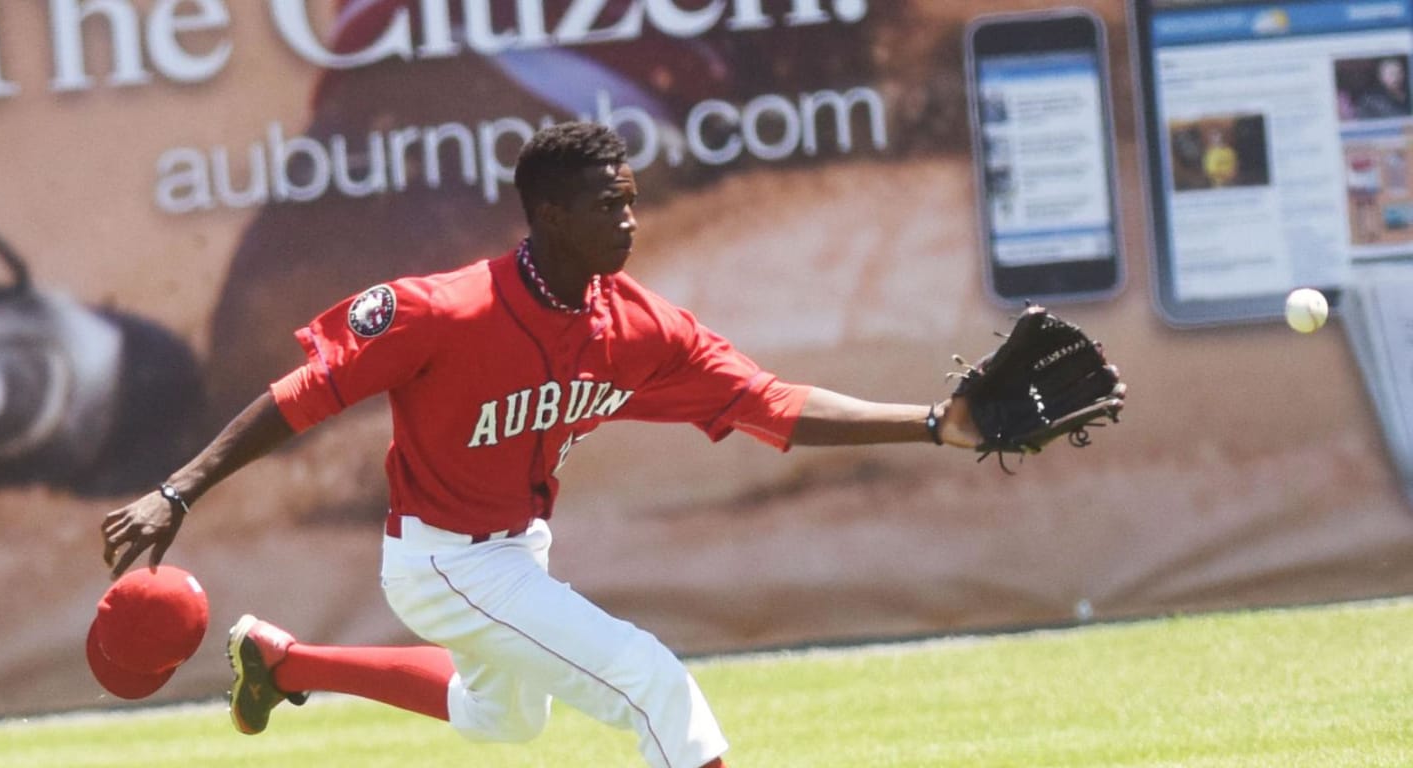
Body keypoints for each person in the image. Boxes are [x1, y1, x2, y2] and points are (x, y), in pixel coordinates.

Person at [100, 122, 985, 768]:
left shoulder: (639, 328)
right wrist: (178, 490)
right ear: (552, 217)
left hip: (516, 550)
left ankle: (284, 661)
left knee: (502, 719)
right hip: (442, 562)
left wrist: (934, 422)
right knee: (653, 681)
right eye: (610, 206)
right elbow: (306, 394)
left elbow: (775, 407)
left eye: (633, 201)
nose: (631, 221)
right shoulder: (445, 310)